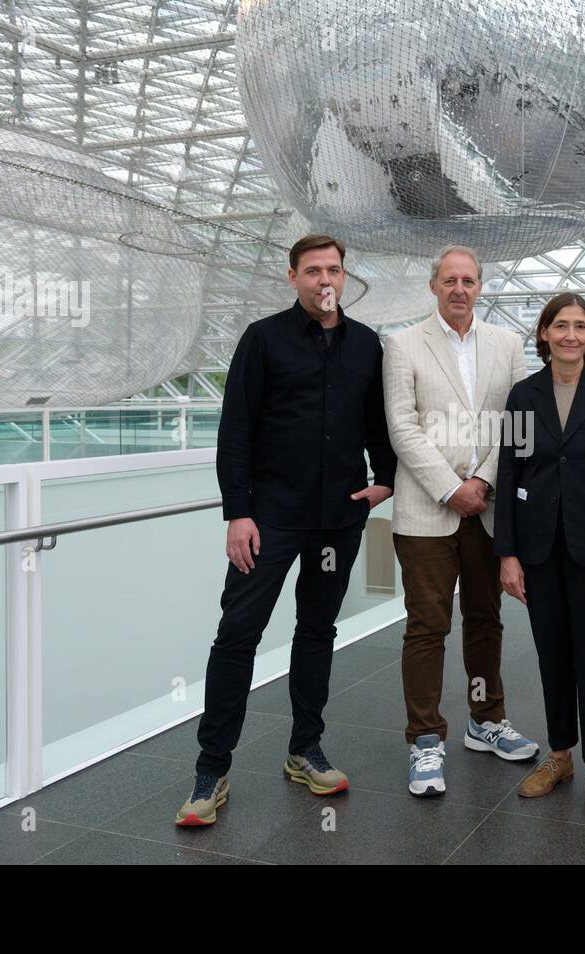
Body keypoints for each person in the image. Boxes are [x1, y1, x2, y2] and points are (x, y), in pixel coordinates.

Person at [175, 234, 395, 826]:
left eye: (335, 270)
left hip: (337, 519)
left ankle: (305, 749)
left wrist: (387, 480)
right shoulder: (263, 339)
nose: (325, 279)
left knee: (316, 631)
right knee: (237, 634)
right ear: (293, 277)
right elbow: (236, 430)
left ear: (346, 277)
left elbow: (380, 423)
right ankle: (211, 768)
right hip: (269, 519)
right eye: (313, 270)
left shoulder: (367, 345)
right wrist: (237, 513)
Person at [382, 245, 537, 797]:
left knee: (485, 618)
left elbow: (517, 424)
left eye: (469, 280)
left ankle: (485, 719)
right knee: (427, 626)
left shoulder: (507, 344)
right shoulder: (402, 344)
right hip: (427, 510)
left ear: (480, 286)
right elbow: (403, 428)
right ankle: (425, 740)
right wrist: (451, 488)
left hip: (488, 507)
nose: (460, 289)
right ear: (434, 286)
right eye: (450, 280)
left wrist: (484, 485)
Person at [494, 292, 585, 823]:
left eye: (580, 326)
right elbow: (511, 473)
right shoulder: (524, 395)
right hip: (538, 550)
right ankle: (560, 757)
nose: (570, 335)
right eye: (561, 325)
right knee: (552, 656)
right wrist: (507, 553)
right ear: (545, 334)